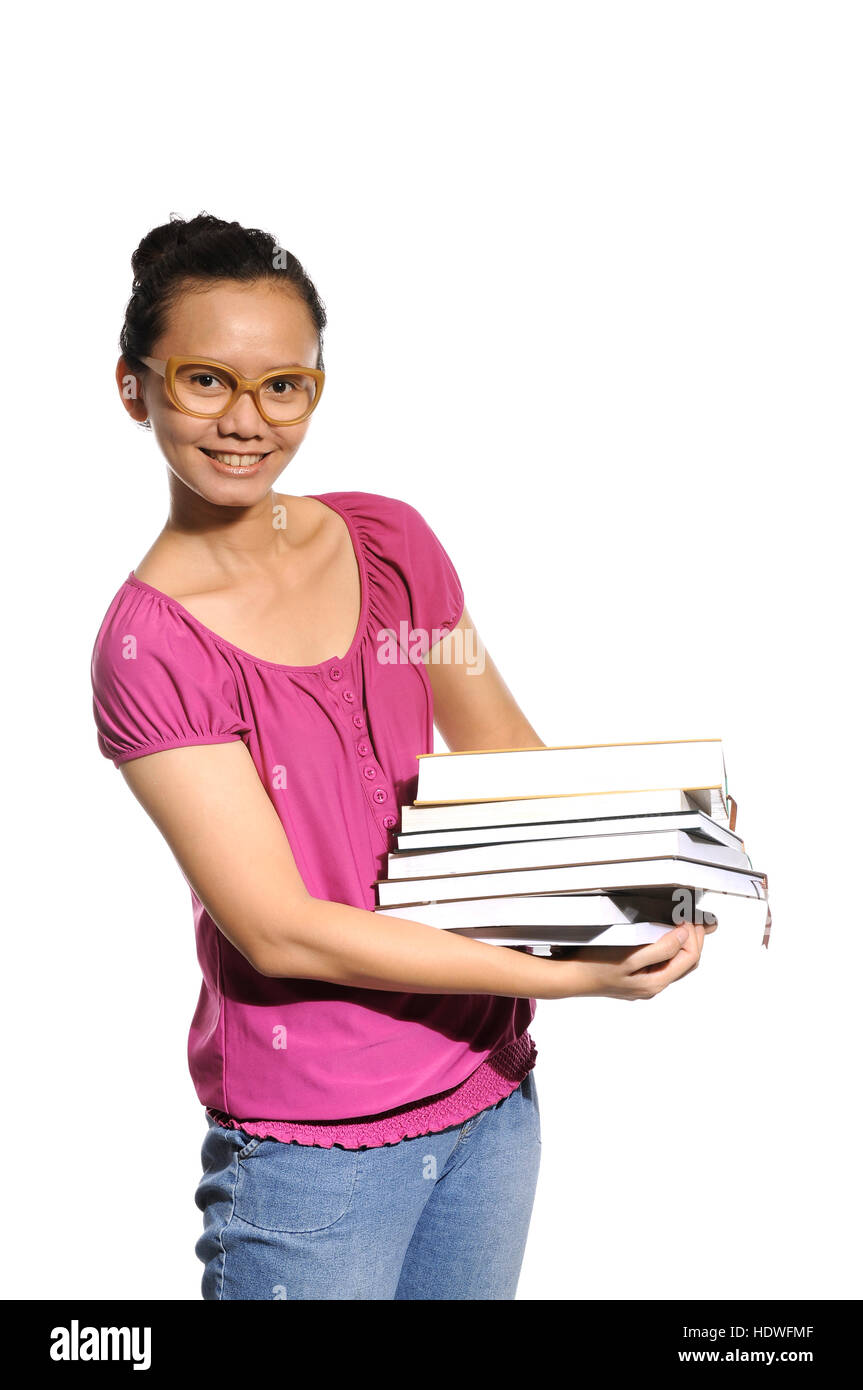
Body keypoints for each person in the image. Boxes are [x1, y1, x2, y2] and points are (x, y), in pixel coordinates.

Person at [90, 212, 708, 1302]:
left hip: (488, 1099)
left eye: (283, 385)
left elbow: (507, 757)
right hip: (311, 1154)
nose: (247, 420)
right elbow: (281, 931)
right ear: (135, 388)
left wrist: (663, 851)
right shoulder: (148, 650)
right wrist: (562, 978)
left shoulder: (394, 545)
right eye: (205, 381)